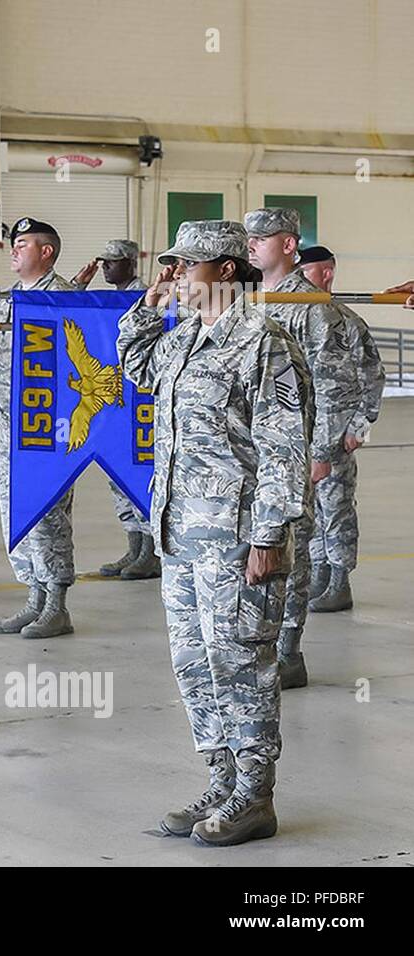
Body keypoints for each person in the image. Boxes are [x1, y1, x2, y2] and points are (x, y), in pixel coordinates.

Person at [118, 220, 310, 846]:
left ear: (226, 269)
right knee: (194, 664)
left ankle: (256, 795)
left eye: (185, 266)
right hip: (181, 531)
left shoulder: (264, 342)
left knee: (241, 662)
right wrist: (147, 309)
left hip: (236, 537)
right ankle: (221, 780)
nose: (173, 276)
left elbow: (284, 449)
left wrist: (268, 536)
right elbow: (136, 371)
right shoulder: (183, 339)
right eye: (169, 266)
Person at [245, 208, 360, 688]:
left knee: (292, 552)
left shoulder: (312, 304)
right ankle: (262, 643)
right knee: (260, 550)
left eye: (262, 237)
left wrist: (323, 453)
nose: (251, 244)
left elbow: (335, 385)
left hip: (297, 450)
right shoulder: (253, 301)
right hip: (256, 447)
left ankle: (289, 652)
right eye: (248, 237)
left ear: (289, 245)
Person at [0, 218, 78, 638]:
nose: (13, 251)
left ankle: (57, 602)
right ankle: (34, 595)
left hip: (47, 426)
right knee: (15, 510)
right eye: (13, 245)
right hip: (10, 422)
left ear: (46, 252)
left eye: (22, 244)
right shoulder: (11, 297)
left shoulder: (64, 298)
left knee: (48, 511)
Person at [297, 246, 385, 613]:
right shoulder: (295, 316)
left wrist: (358, 429)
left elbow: (372, 376)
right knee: (311, 509)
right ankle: (319, 571)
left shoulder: (345, 320)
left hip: (336, 435)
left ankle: (339, 580)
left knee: (337, 507)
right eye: (315, 271)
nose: (327, 277)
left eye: (327, 270)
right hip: (304, 433)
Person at [72, 239, 159, 580]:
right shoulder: (103, 299)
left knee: (138, 473)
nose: (106, 268)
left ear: (130, 263)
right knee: (116, 476)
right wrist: (80, 284)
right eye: (103, 262)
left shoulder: (146, 295)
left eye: (113, 262)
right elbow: (67, 311)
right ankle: (134, 545)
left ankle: (150, 552)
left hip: (136, 397)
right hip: (110, 400)